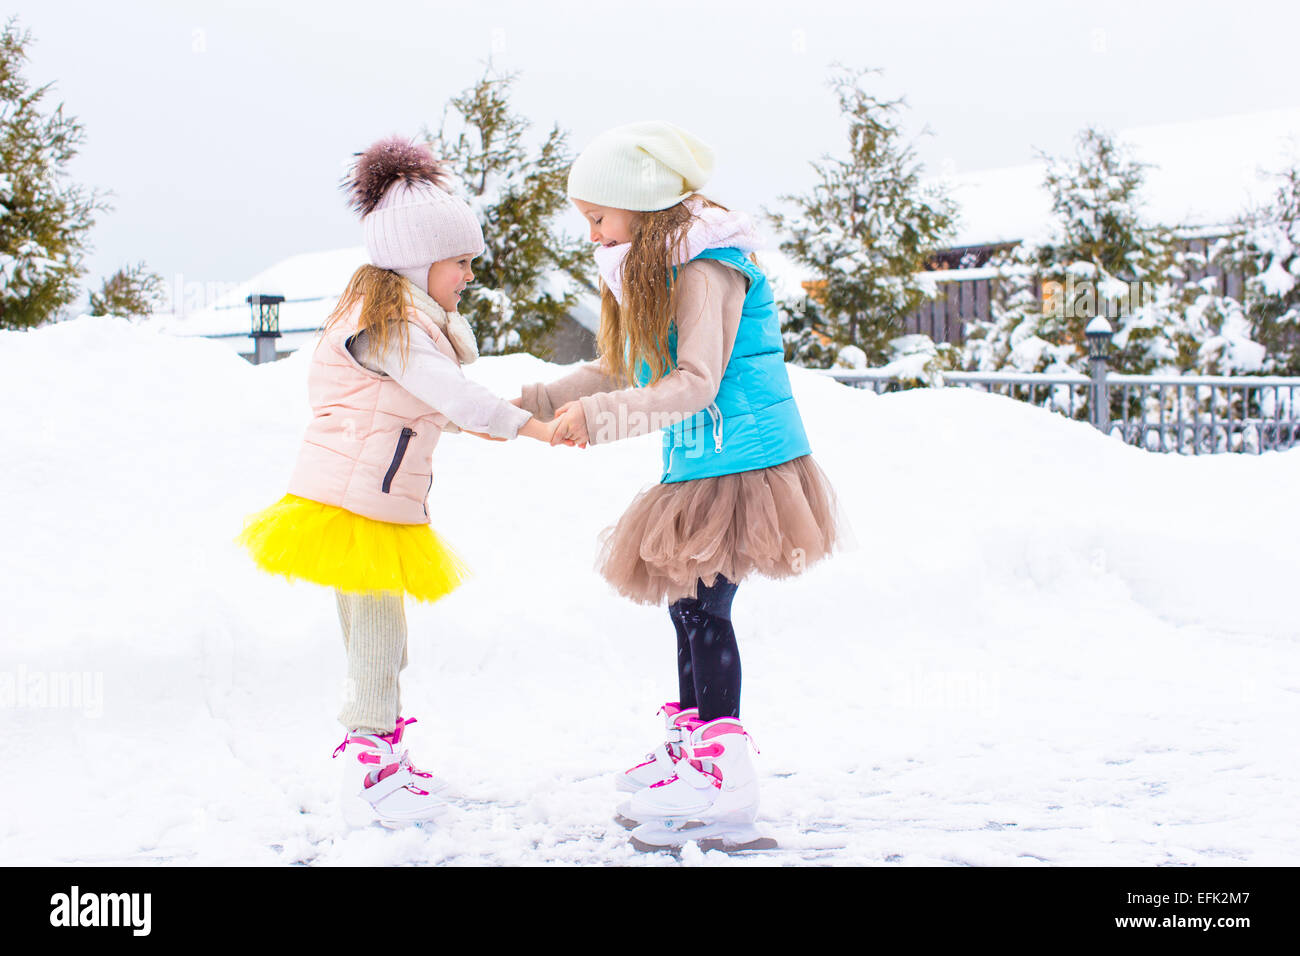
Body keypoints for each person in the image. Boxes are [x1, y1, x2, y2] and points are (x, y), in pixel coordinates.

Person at [515, 121, 851, 848]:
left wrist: (597, 420)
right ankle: (697, 745)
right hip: (705, 457)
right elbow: (627, 366)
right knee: (687, 607)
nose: (593, 233)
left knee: (704, 607)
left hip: (742, 457)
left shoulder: (706, 268)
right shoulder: (659, 267)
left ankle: (722, 773)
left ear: (639, 203)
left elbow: (695, 382)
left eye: (597, 217)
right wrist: (537, 399)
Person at [236, 136, 557, 828]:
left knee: (379, 638)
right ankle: (369, 770)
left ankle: (377, 756)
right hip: (364, 504)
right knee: (379, 641)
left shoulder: (392, 318)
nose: (470, 275)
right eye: (462, 263)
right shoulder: (393, 327)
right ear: (419, 261)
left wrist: (502, 418)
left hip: (362, 497)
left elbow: (441, 401)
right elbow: (459, 398)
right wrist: (534, 428)